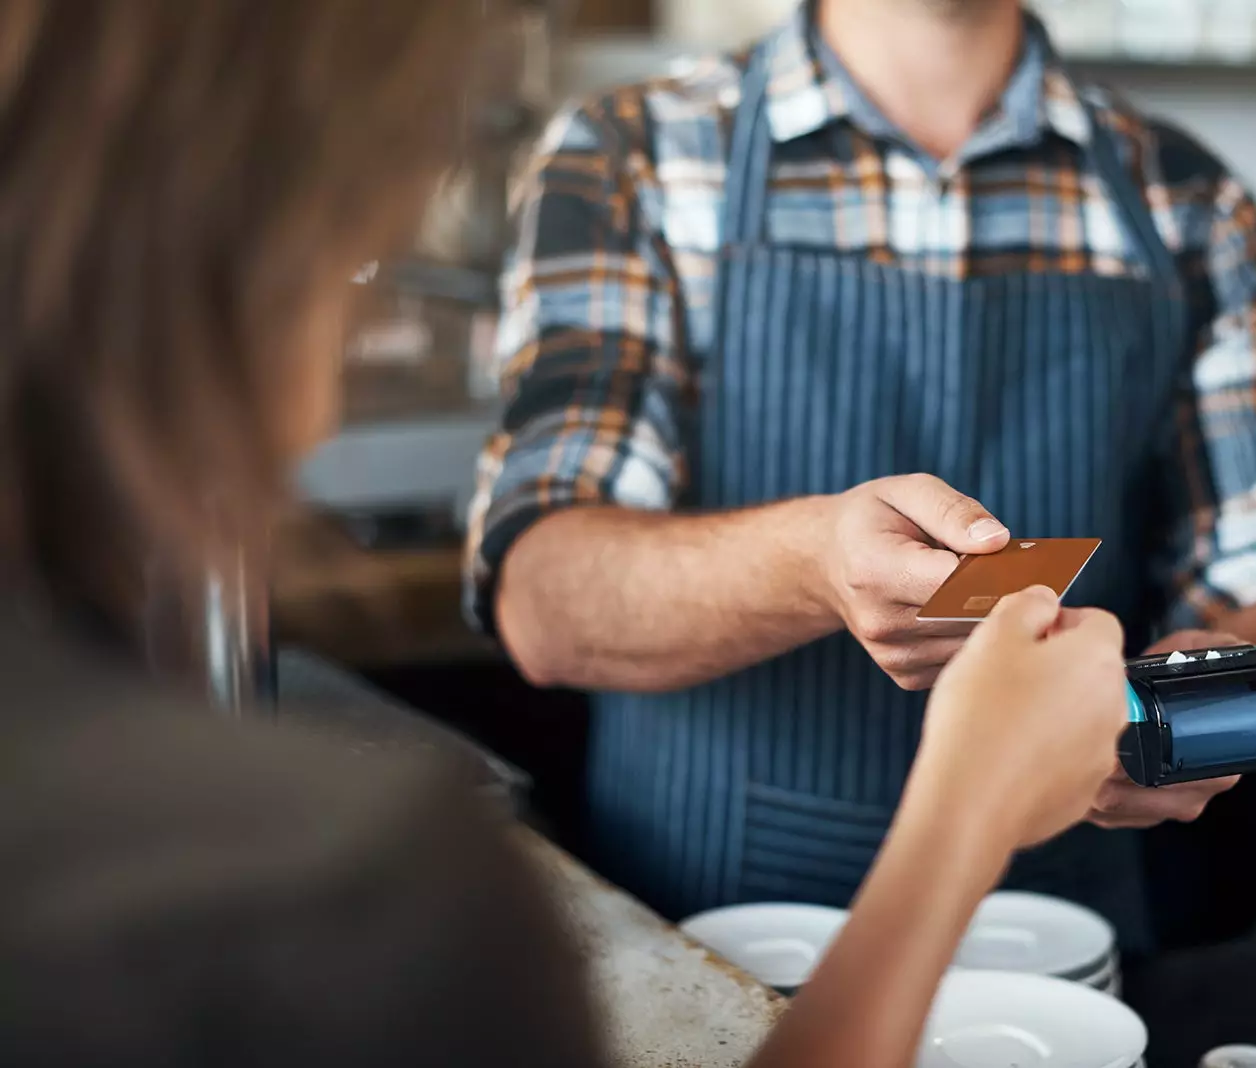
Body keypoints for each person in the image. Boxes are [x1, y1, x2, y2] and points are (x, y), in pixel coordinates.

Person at [0, 2, 1133, 1066]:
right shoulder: (360, 892)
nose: (382, 319)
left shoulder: (1170, 187)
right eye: (365, 256)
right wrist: (965, 806)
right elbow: (539, 587)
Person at [469, 0, 1256, 948]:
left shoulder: (1189, 200)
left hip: (1057, 956)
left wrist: (1192, 722)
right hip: (709, 935)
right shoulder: (631, 158)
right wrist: (812, 564)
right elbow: (542, 598)